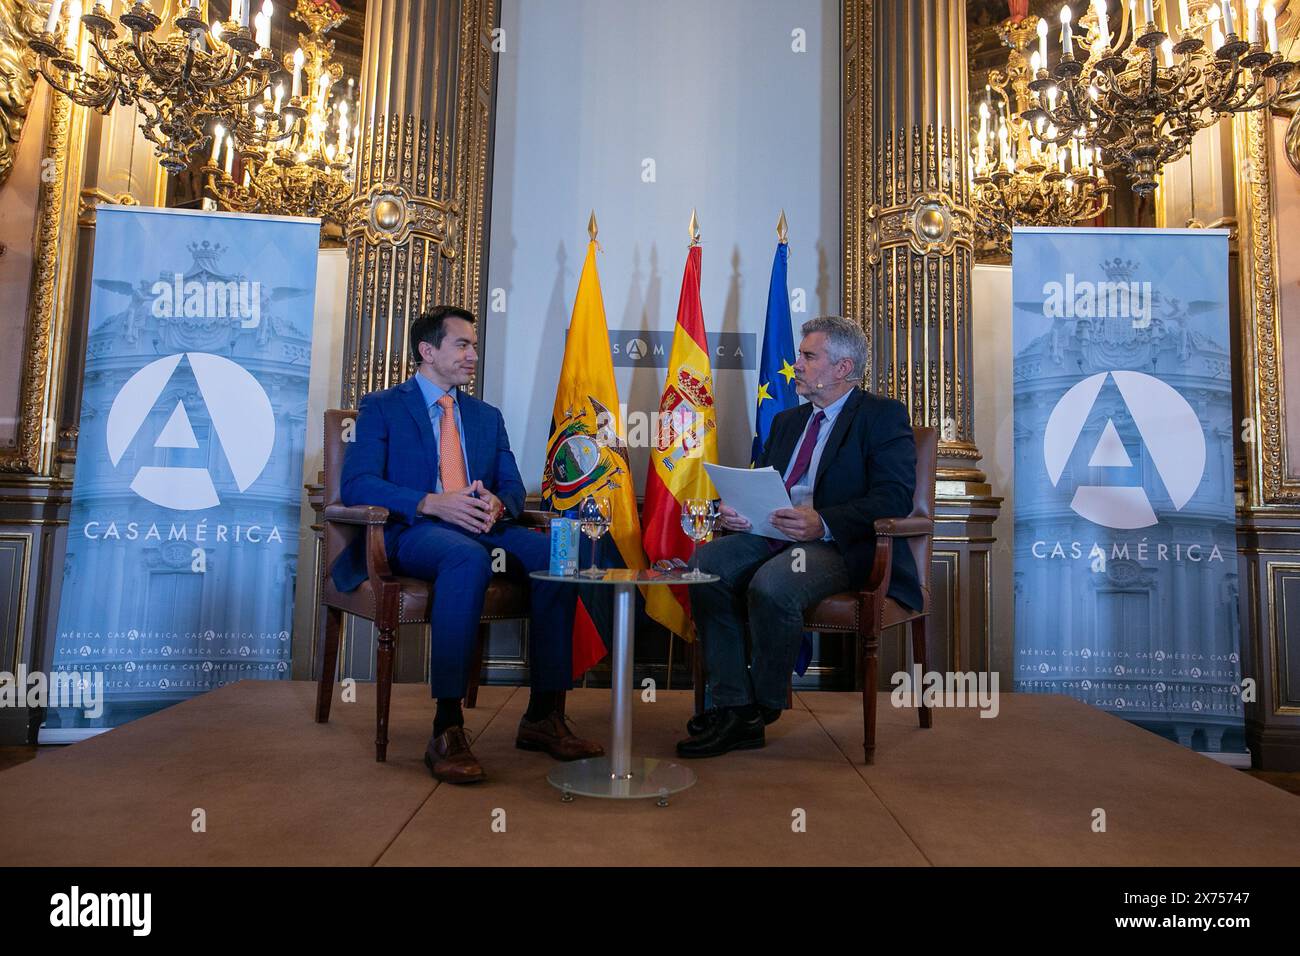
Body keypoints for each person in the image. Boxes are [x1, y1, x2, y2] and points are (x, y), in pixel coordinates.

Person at [331, 306, 603, 783]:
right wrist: (432, 503)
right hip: (411, 533)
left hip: (483, 527)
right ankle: (447, 726)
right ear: (427, 351)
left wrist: (499, 503)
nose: (473, 355)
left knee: (559, 555)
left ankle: (543, 714)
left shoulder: (484, 417)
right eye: (463, 345)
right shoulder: (382, 407)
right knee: (465, 557)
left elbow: (515, 488)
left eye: (474, 345)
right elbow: (357, 485)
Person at [677, 315, 921, 758]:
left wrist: (823, 521)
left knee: (773, 585)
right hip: (774, 533)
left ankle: (760, 708)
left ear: (843, 368)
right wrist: (741, 510)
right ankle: (734, 704)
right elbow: (768, 482)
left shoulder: (882, 416)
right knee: (704, 568)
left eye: (809, 356)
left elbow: (894, 496)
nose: (797, 364)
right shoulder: (788, 421)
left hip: (840, 544)